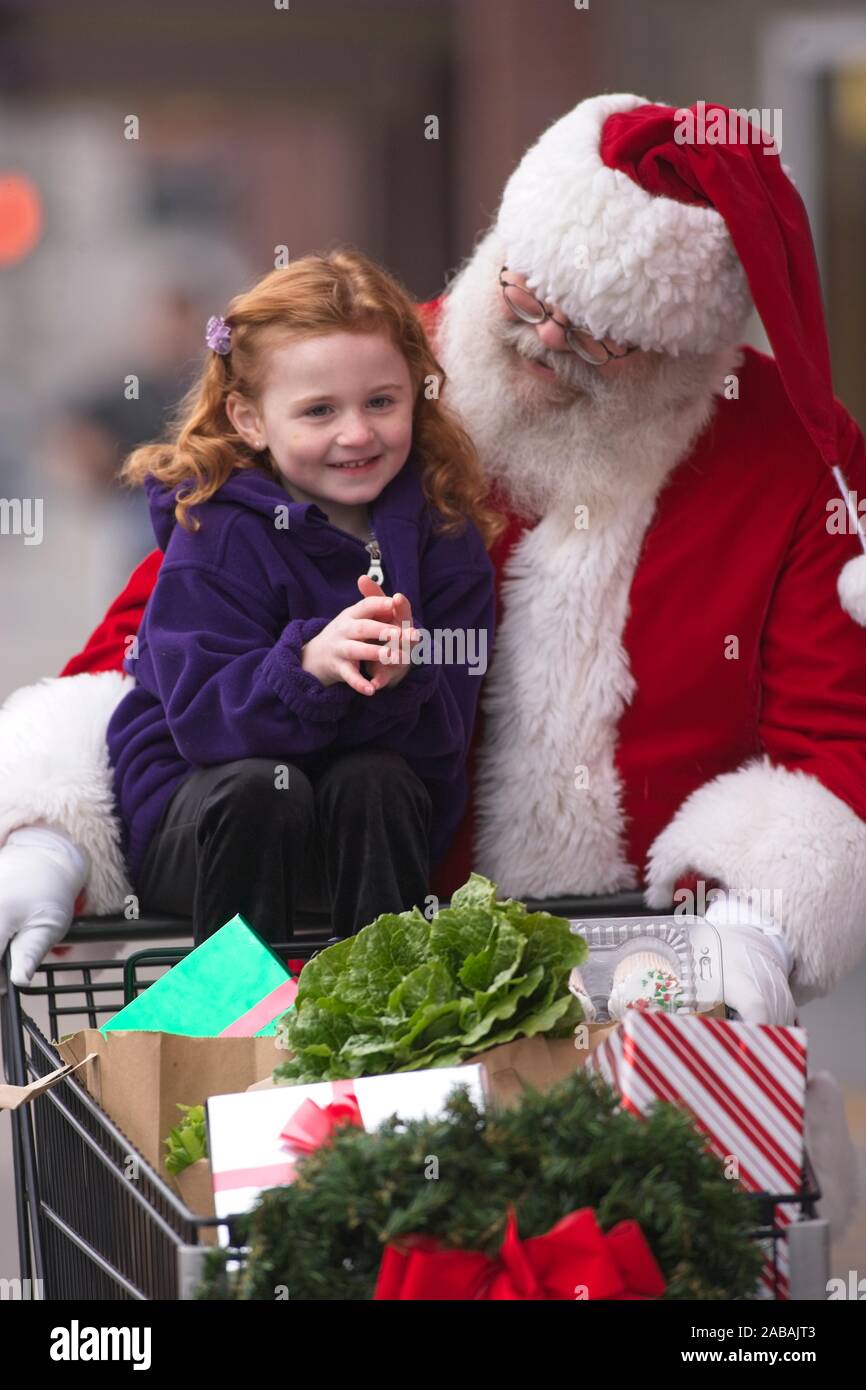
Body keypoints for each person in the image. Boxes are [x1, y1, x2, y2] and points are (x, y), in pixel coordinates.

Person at [2, 94, 864, 1230]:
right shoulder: (374, 379)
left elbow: (832, 734)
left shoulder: (789, 462)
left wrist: (758, 913)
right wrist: (52, 826)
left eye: (596, 336)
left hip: (612, 1003)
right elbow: (156, 634)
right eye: (526, 298)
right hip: (336, 965)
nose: (544, 343)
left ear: (683, 345)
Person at [49, 249, 498, 948]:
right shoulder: (218, 527)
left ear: (417, 392)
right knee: (263, 785)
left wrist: (404, 682)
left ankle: (384, 1012)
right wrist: (310, 665)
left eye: (381, 401)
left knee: (377, 780)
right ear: (251, 420)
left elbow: (444, 754)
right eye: (319, 410)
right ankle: (238, 1025)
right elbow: (202, 724)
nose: (357, 433)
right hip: (202, 812)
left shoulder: (444, 538)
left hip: (357, 824)